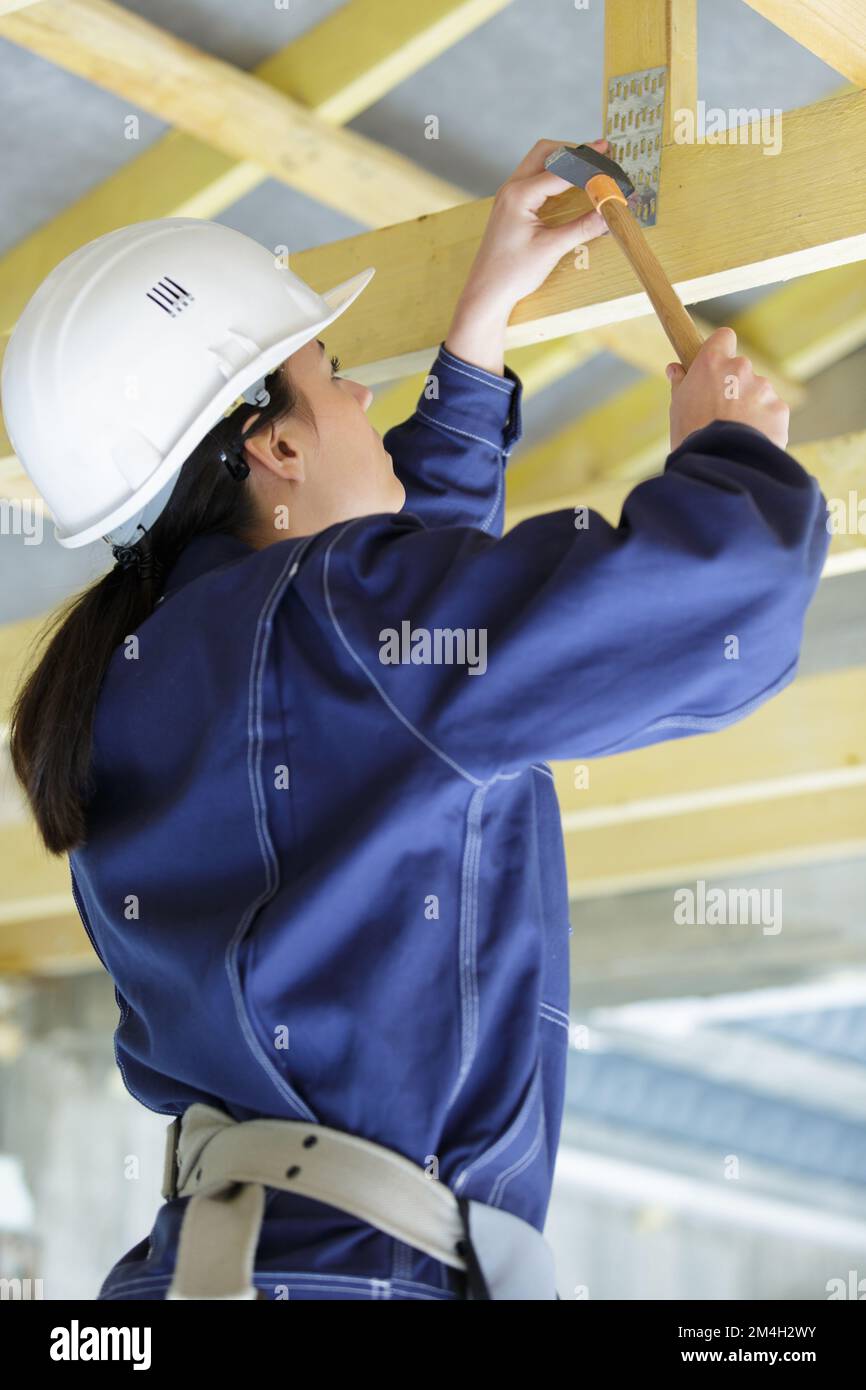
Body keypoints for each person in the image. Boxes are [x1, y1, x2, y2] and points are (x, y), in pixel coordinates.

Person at [3, 139, 829, 1300]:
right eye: (332, 370)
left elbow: (394, 669)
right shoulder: (333, 633)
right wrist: (730, 461)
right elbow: (707, 602)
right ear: (273, 446)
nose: (360, 394)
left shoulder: (132, 674)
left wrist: (480, 334)